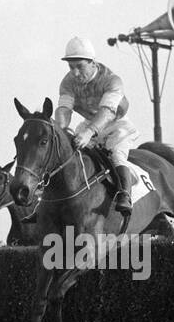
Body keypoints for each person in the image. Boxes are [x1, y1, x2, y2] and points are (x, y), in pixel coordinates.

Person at [54, 36, 139, 218]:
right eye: (71, 67)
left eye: (80, 67)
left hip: (115, 123)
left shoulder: (112, 80)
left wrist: (89, 132)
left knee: (116, 154)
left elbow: (107, 112)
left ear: (92, 63)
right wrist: (59, 129)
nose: (75, 73)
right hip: (90, 122)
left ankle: (125, 194)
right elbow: (64, 109)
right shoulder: (67, 83)